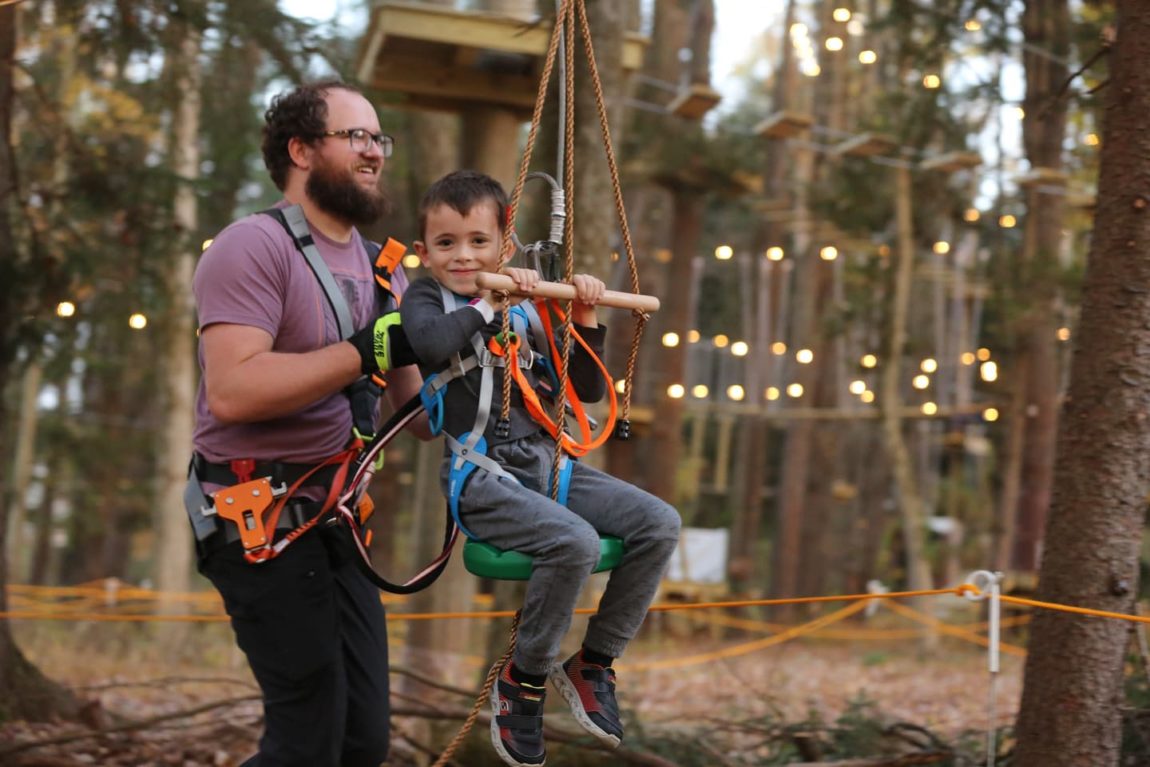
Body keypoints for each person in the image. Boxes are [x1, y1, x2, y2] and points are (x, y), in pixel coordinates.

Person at [400, 170, 681, 767]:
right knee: (574, 543)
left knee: (659, 523)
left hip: (547, 463)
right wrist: (487, 303)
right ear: (424, 252)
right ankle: (522, 684)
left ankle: (594, 662)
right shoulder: (428, 298)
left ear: (504, 244)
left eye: (479, 241)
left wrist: (579, 315)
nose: (462, 255)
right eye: (445, 243)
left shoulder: (528, 310)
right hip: (482, 476)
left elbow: (584, 387)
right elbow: (426, 345)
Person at [189, 79, 424, 767]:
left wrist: (486, 349)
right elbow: (232, 390)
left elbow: (420, 418)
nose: (375, 151)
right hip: (257, 515)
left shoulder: (387, 271)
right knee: (308, 740)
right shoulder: (251, 248)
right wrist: (362, 351)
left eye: (379, 138)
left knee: (362, 740)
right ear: (300, 149)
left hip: (338, 518)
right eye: (356, 136)